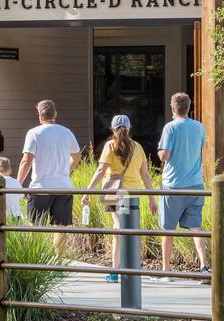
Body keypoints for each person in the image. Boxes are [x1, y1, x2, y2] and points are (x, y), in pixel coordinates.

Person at [82, 114, 156, 282]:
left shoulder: (110, 146)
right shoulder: (138, 147)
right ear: (129, 128)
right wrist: (152, 199)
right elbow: (145, 175)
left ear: (112, 129)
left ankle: (116, 271)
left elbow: (101, 171)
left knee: (118, 229)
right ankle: (130, 268)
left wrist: (88, 191)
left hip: (116, 192)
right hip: (132, 193)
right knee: (126, 229)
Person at [17, 99, 81, 255]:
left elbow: (27, 161)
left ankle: (33, 259)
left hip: (40, 187)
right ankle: (57, 263)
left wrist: (17, 183)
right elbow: (77, 156)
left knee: (34, 225)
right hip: (63, 187)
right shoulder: (67, 132)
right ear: (56, 114)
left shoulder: (34, 133)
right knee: (60, 227)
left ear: (39, 116)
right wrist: (66, 170)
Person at [157, 92, 209, 277]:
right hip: (195, 184)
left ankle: (167, 270)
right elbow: (203, 147)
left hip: (173, 185)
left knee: (168, 229)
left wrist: (160, 152)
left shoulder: (170, 128)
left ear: (173, 108)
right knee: (196, 226)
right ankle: (203, 266)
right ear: (189, 107)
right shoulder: (199, 127)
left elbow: (164, 156)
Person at [0, 156, 23, 220]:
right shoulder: (16, 182)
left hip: (2, 215)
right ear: (10, 170)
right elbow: (21, 195)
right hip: (16, 214)